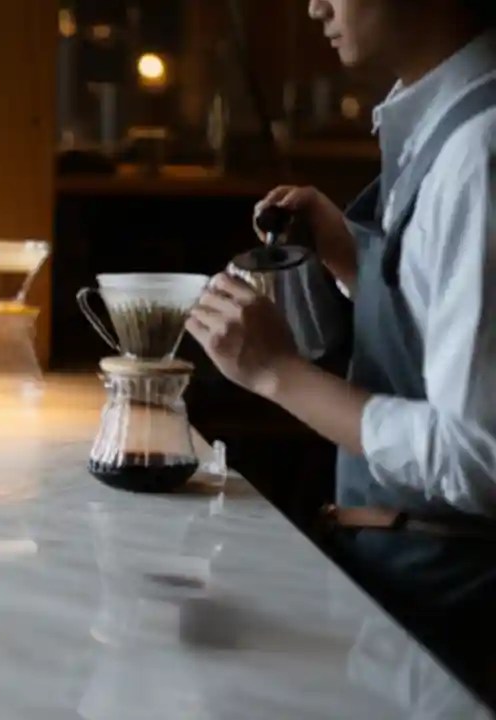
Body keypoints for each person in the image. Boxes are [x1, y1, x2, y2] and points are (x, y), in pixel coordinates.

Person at [185, 0, 496, 701]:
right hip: (401, 596)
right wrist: (349, 255)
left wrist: (278, 375)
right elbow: (437, 331)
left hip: (453, 628)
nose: (313, 5)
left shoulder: (480, 150)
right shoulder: (446, 123)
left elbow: (479, 456)